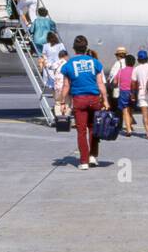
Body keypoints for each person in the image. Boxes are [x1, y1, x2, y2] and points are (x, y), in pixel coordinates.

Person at [57, 35, 107, 169]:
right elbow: (100, 83)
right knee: (94, 128)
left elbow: (66, 86)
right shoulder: (95, 62)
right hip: (94, 98)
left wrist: (62, 102)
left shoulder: (68, 65)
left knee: (81, 131)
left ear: (74, 49)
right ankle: (93, 156)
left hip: (79, 99)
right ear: (86, 48)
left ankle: (84, 161)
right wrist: (106, 100)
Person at [41, 32, 65, 110]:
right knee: (60, 85)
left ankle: (57, 103)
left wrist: (45, 65)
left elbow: (44, 57)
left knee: (54, 87)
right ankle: (61, 102)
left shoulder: (45, 46)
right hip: (58, 67)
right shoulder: (61, 45)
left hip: (49, 67)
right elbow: (64, 55)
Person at [116, 54, 137, 136]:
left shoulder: (121, 71)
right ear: (134, 62)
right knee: (131, 110)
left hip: (123, 91)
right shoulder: (136, 70)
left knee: (125, 110)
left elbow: (115, 81)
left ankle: (128, 129)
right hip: (133, 92)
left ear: (126, 62)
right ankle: (130, 125)